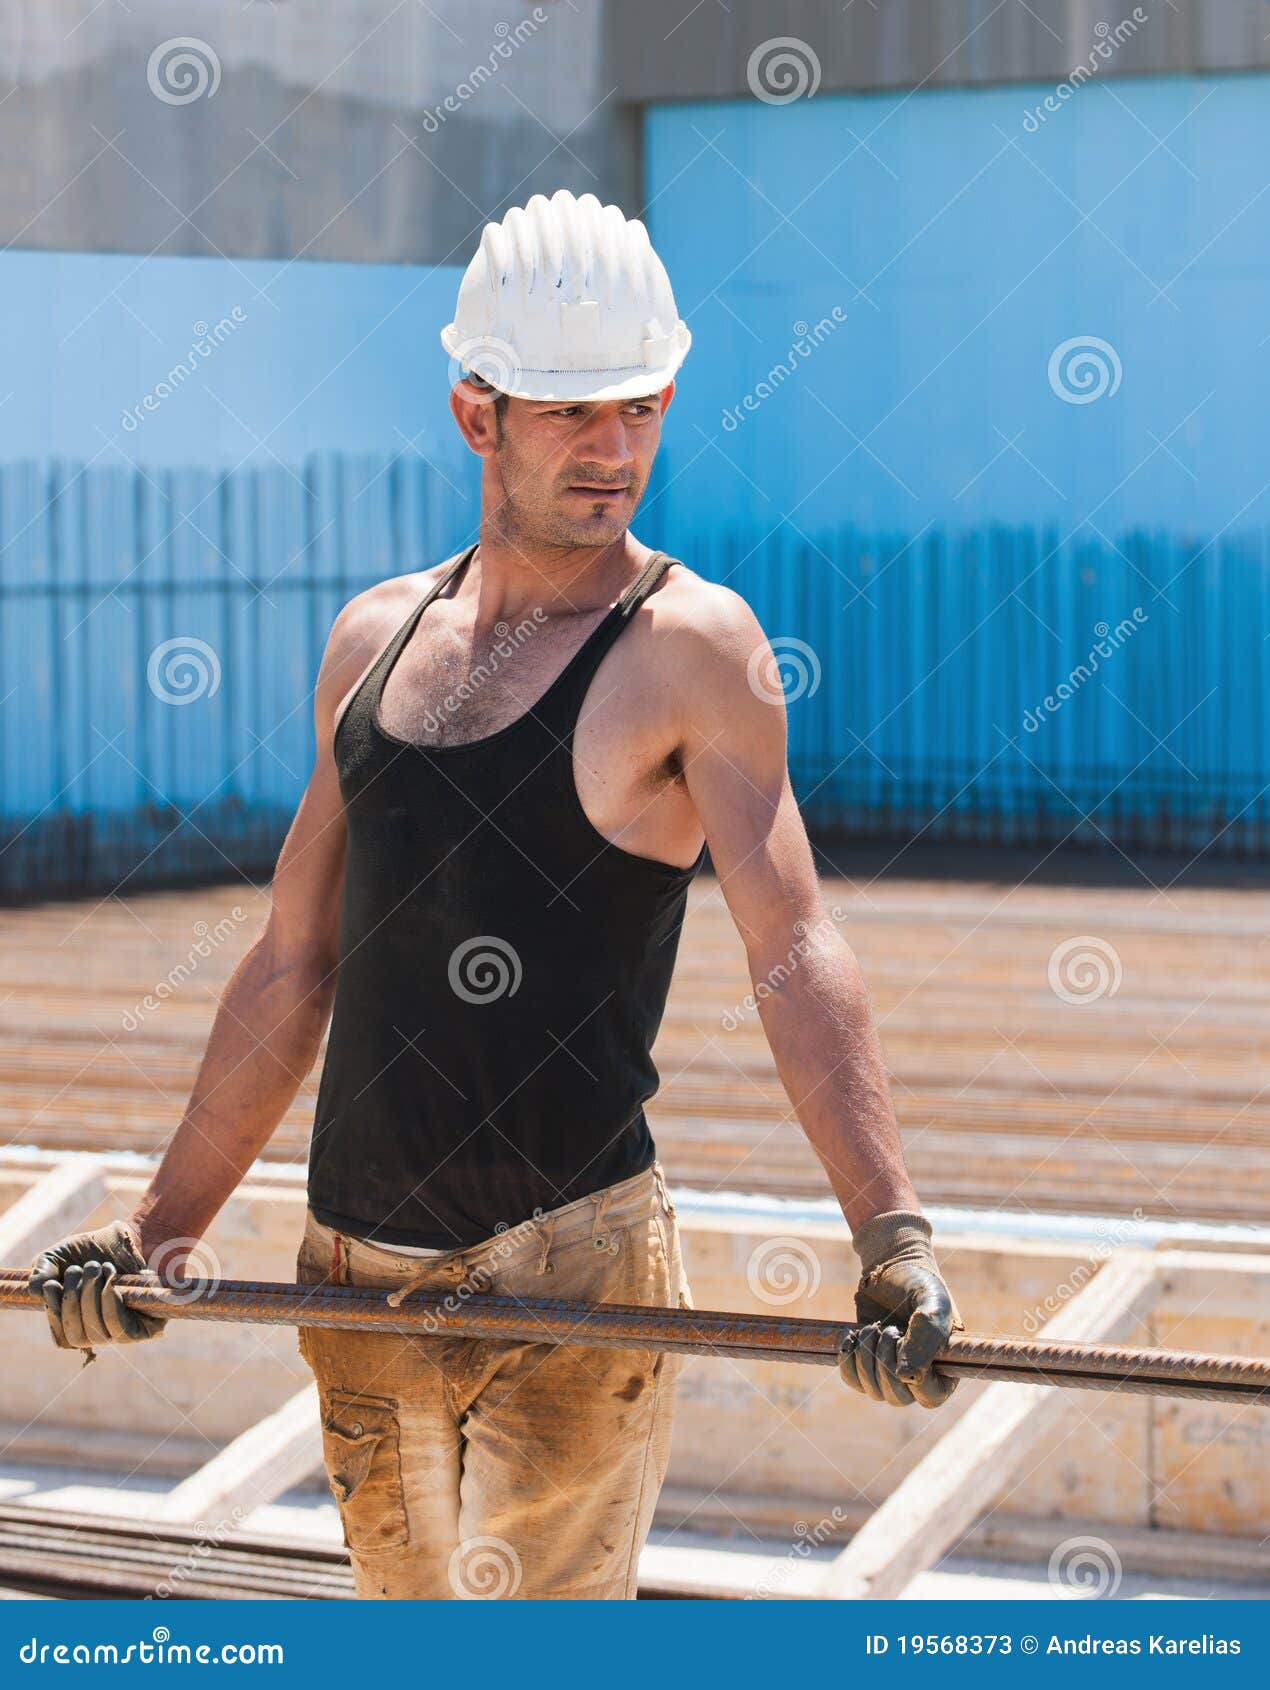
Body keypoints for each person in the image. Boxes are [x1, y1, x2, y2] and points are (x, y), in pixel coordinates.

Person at [30, 189, 960, 1600]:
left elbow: (794, 943)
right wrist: (163, 1229)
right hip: (350, 1271)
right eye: (573, 411)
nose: (616, 449)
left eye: (641, 407)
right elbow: (294, 957)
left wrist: (889, 1238)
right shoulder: (371, 638)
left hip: (568, 1274)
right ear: (478, 414)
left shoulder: (689, 648)